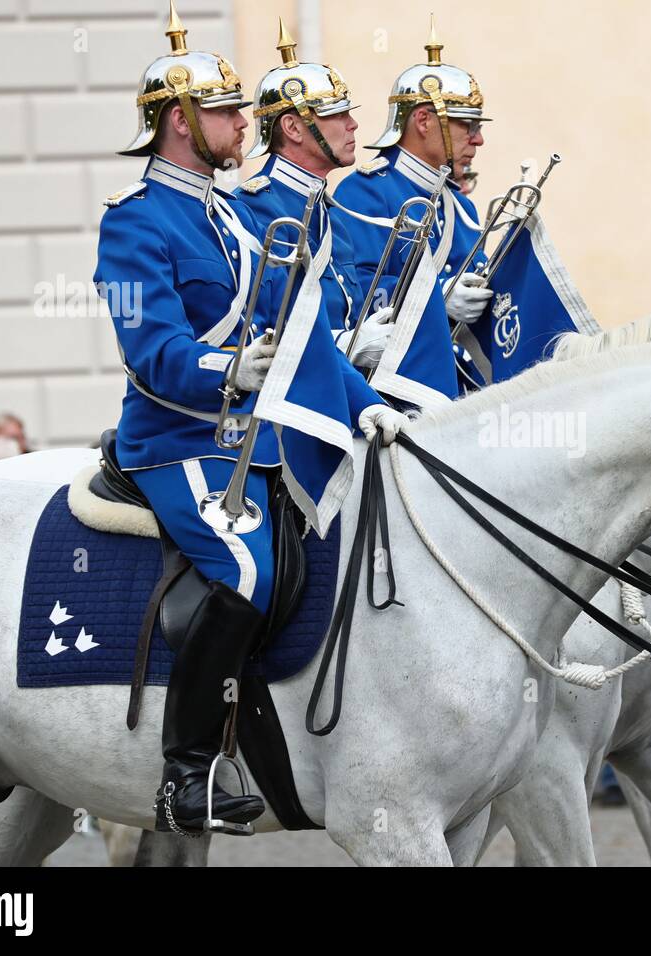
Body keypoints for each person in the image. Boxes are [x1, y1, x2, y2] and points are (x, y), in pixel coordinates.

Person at [95, 2, 404, 835]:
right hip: (175, 441)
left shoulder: (233, 217)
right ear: (179, 121)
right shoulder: (133, 221)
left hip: (256, 443)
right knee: (245, 571)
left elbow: (303, 338)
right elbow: (149, 351)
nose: (244, 123)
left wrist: (367, 406)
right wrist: (227, 366)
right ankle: (184, 774)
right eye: (229, 111)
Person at [331, 19, 493, 396]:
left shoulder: (460, 205)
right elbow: (358, 297)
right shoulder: (366, 192)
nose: (479, 139)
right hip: (398, 391)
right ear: (423, 120)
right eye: (467, 125)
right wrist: (440, 296)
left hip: (462, 386)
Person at [232, 20, 396, 373]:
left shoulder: (329, 210)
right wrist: (347, 344)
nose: (352, 124)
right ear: (292, 128)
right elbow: (272, 324)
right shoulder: (256, 207)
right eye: (336, 114)